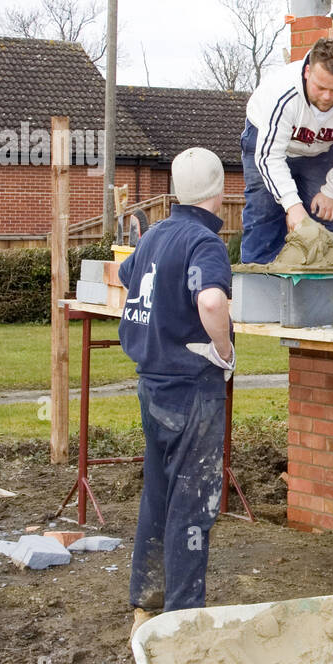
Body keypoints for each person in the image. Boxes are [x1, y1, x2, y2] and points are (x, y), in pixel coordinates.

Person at [118, 147, 235, 637]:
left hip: (152, 383)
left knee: (160, 491)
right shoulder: (205, 242)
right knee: (193, 499)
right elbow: (210, 299)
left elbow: (125, 276)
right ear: (219, 194)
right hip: (191, 387)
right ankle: (183, 618)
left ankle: (146, 598)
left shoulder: (156, 235)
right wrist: (223, 349)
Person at [240, 36, 333, 265]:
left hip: (319, 151)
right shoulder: (282, 93)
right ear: (307, 72)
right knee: (264, 215)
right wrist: (293, 206)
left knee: (329, 218)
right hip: (266, 144)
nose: (326, 97)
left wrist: (332, 191)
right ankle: (261, 292)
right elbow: (269, 157)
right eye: (320, 87)